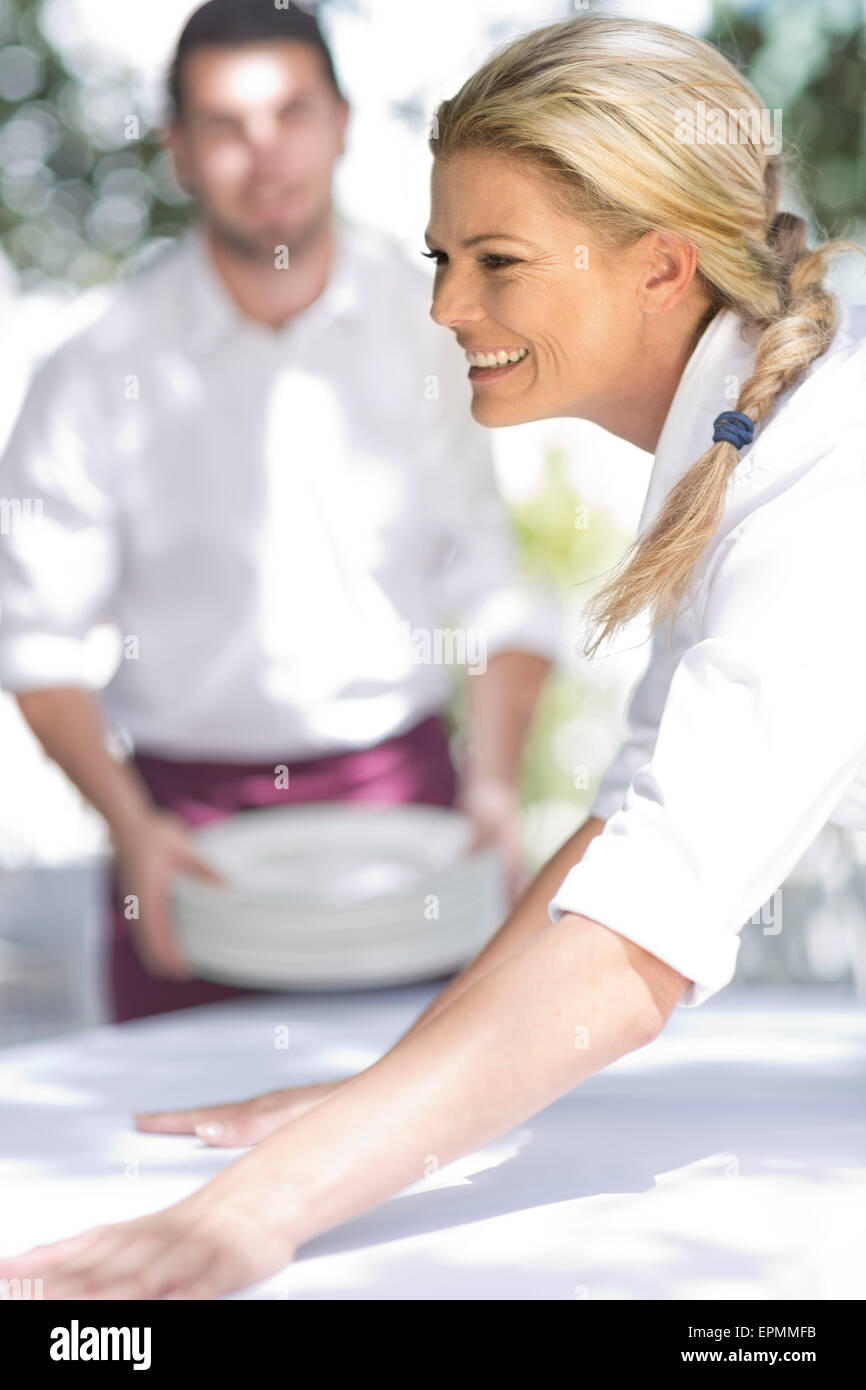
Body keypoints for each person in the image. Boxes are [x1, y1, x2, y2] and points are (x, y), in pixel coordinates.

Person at [3, 11, 865, 1299]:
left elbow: (641, 935)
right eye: (439, 255)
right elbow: (636, 813)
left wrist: (262, 1208)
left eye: (496, 261)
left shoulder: (823, 463)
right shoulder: (741, 425)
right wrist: (392, 1097)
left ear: (659, 267)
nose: (444, 306)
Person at [0, 1, 556, 1023]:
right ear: (175, 150)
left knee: (422, 1149)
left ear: (340, 122)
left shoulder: (436, 328)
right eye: (224, 125)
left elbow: (491, 585)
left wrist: (492, 786)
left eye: (291, 113)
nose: (266, 155)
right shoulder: (94, 370)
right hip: (183, 836)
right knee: (177, 1152)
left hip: (406, 817)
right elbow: (36, 643)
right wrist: (130, 826)